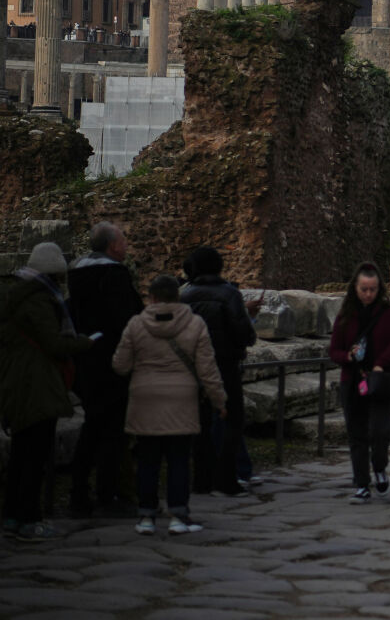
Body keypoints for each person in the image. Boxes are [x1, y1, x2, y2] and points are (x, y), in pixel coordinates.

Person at [114, 274, 226, 536]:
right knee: (178, 460)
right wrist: (219, 400)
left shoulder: (135, 324)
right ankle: (178, 515)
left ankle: (146, 516)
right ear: (178, 295)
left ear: (151, 297)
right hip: (181, 399)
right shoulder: (195, 324)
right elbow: (207, 369)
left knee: (147, 461)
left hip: (145, 399)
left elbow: (120, 364)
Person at [0, 243, 93, 541]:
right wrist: (83, 343)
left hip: (16, 380)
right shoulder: (38, 301)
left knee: (22, 454)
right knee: (34, 455)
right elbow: (53, 344)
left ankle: (12, 516)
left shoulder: (13, 296)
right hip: (37, 382)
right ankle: (29, 519)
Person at [66, 223, 141, 519]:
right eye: (123, 240)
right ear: (112, 246)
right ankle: (107, 495)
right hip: (112, 362)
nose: (126, 245)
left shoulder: (77, 275)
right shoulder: (114, 276)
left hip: (85, 361)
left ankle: (78, 493)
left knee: (91, 428)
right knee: (112, 433)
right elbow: (128, 320)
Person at [180, 246, 256, 497]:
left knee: (200, 425)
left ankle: (202, 480)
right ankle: (226, 480)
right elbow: (244, 333)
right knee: (232, 422)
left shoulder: (185, 295)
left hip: (193, 366)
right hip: (225, 364)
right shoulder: (229, 294)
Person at [328, 263, 390, 503]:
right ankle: (362, 483)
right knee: (357, 433)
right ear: (355, 287)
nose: (368, 294)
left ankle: (379, 465)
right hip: (352, 380)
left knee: (380, 431)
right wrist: (347, 357)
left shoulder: (389, 311)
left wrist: (381, 363)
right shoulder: (346, 314)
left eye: (372, 289)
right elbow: (334, 349)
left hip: (380, 379)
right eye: (364, 289)